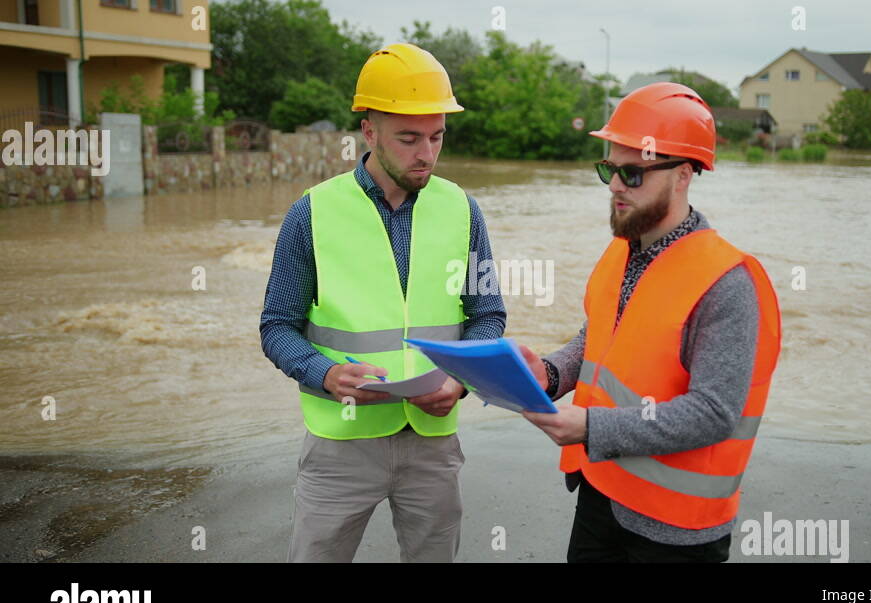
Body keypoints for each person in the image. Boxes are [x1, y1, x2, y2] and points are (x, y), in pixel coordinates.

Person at [259, 43, 506, 563]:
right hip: (340, 441)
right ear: (369, 131)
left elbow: (489, 317)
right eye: (409, 138)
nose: (426, 154)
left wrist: (460, 381)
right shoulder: (311, 214)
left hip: (432, 441)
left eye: (437, 136)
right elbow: (277, 327)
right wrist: (323, 372)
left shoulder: (464, 210)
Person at [519, 82, 782, 563]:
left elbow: (714, 412)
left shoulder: (727, 283)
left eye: (633, 173)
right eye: (609, 169)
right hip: (600, 491)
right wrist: (550, 373)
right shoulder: (623, 248)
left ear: (683, 176)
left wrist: (593, 428)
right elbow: (599, 339)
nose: (616, 185)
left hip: (675, 532)